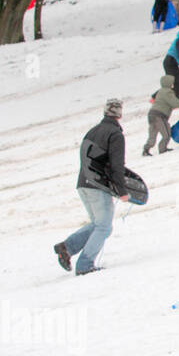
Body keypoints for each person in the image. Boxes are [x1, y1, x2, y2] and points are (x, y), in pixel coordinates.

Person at [53, 100, 131, 276]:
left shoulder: (93, 131)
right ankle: (85, 265)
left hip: (83, 184)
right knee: (103, 227)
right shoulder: (115, 134)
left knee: (100, 225)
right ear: (119, 115)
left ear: (105, 113)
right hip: (97, 186)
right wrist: (122, 190)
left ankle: (67, 247)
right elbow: (117, 165)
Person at [143, 75, 179, 156]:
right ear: (169, 83)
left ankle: (146, 150)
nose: (173, 84)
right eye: (172, 83)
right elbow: (175, 103)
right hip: (159, 116)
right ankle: (163, 149)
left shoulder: (160, 91)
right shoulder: (168, 92)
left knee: (153, 134)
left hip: (152, 114)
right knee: (166, 134)